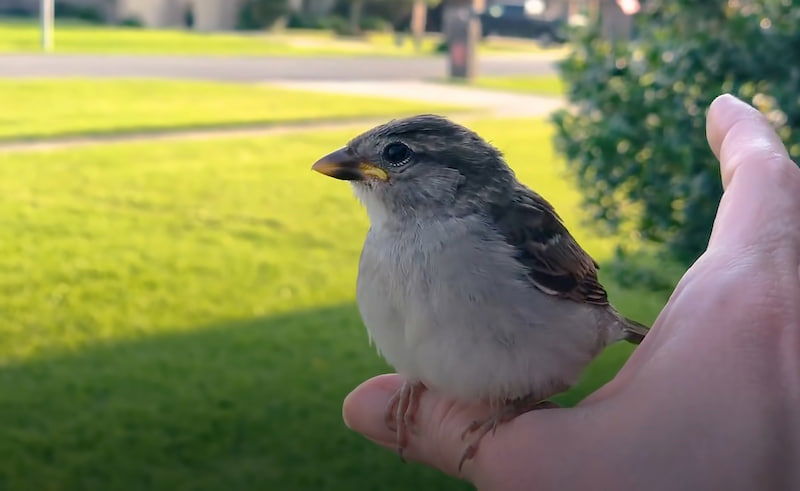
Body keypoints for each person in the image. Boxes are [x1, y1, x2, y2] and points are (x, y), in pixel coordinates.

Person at [342, 94, 800, 490]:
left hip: (572, 318)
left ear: (454, 176)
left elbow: (582, 292)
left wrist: (515, 410)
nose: (353, 168)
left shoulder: (509, 226)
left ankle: (515, 403)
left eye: (395, 157)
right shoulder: (381, 241)